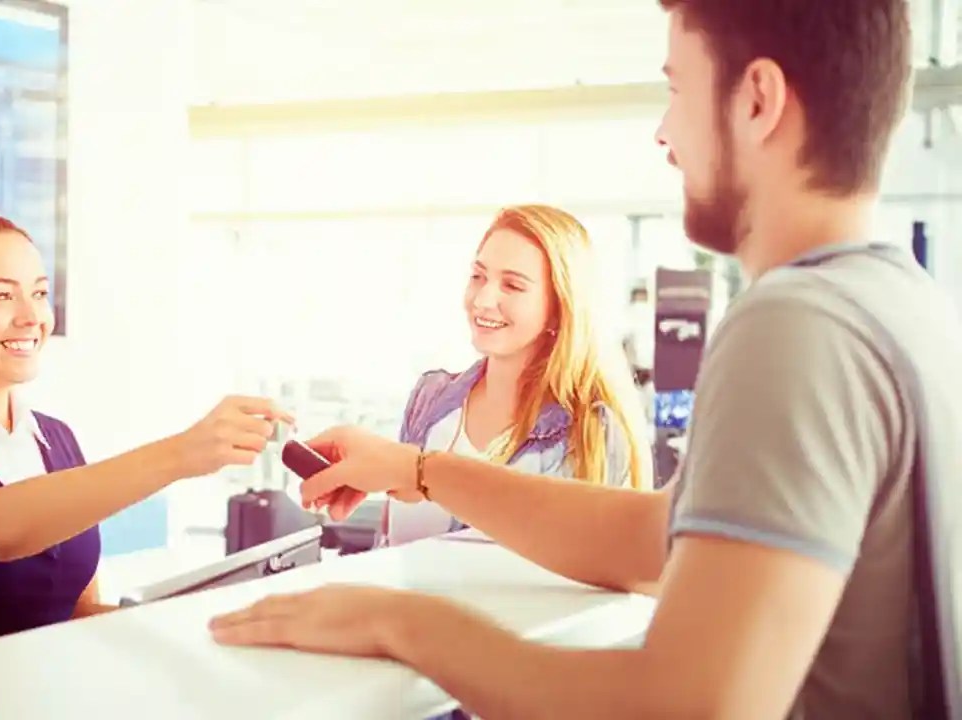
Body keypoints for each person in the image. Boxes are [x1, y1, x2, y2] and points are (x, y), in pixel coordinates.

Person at [210, 2, 961, 718]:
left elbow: (687, 706)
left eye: (677, 89)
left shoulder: (798, 325)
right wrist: (412, 470)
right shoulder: (901, 305)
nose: (664, 134)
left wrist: (402, 625)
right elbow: (654, 541)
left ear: (758, 99)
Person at [0, 211, 290, 668]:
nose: (32, 316)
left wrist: (196, 623)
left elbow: (73, 612)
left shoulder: (56, 439)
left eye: (38, 293)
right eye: (1, 295)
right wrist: (181, 453)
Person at [383, 204, 652, 546]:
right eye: (478, 276)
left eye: (512, 285)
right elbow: (388, 547)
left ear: (559, 307)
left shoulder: (589, 431)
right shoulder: (430, 397)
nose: (482, 299)